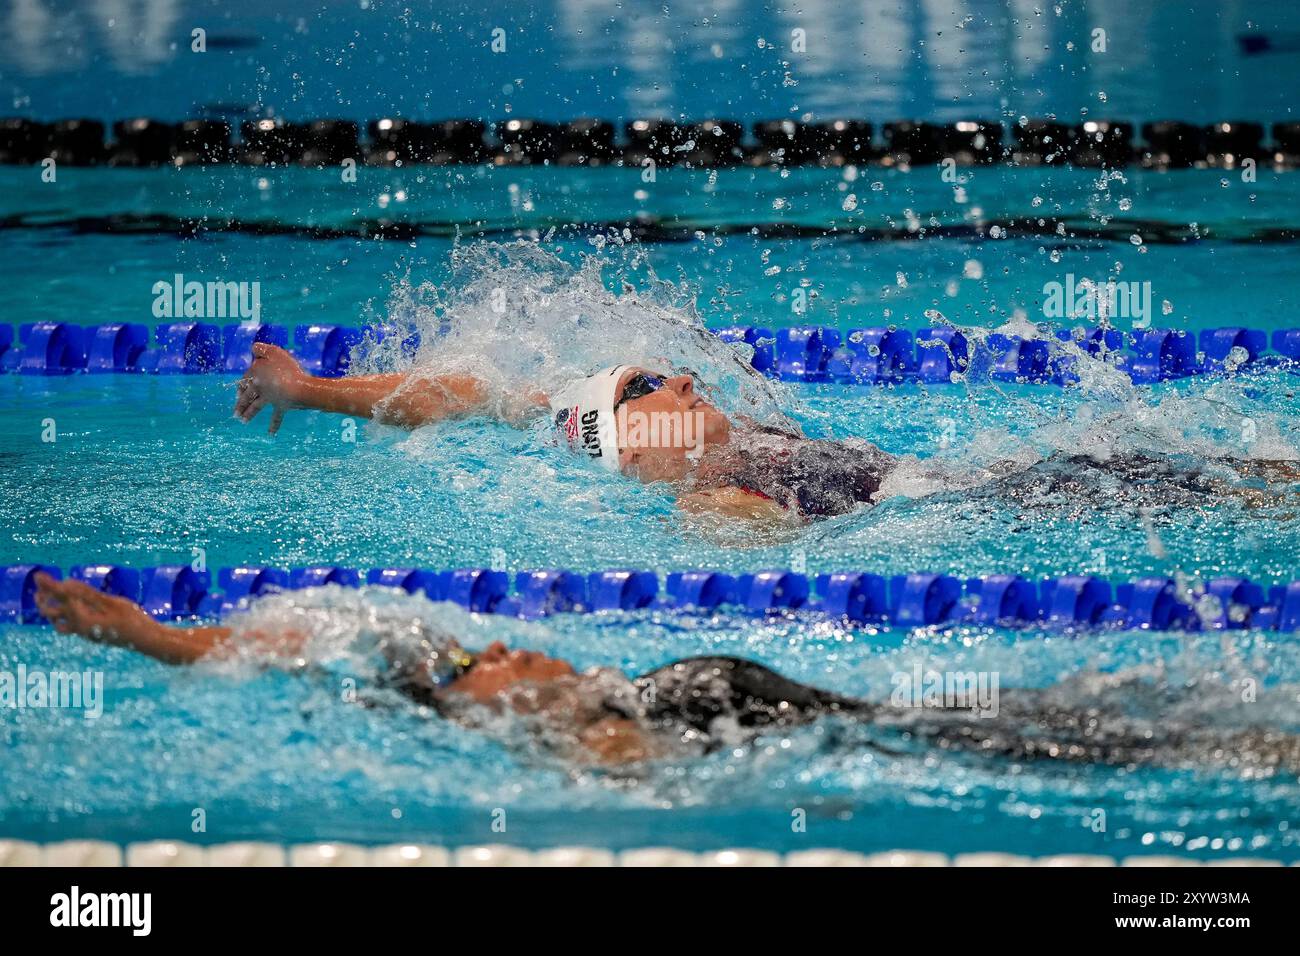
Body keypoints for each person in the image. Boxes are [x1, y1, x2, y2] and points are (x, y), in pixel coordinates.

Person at [32, 573, 1300, 772]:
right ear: (482, 715)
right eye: (483, 663)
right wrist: (152, 645)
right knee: (1118, 736)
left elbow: (323, 628)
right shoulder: (608, 743)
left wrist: (162, 637)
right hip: (918, 738)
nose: (501, 643)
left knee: (1089, 705)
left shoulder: (640, 694)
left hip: (928, 711)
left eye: (491, 643)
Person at [232, 343, 1300, 525]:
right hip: (1011, 500)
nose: (686, 373)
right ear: (625, 434)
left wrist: (314, 386)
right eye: (652, 382)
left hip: (1007, 477)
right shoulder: (719, 503)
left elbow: (463, 393)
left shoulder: (718, 452)